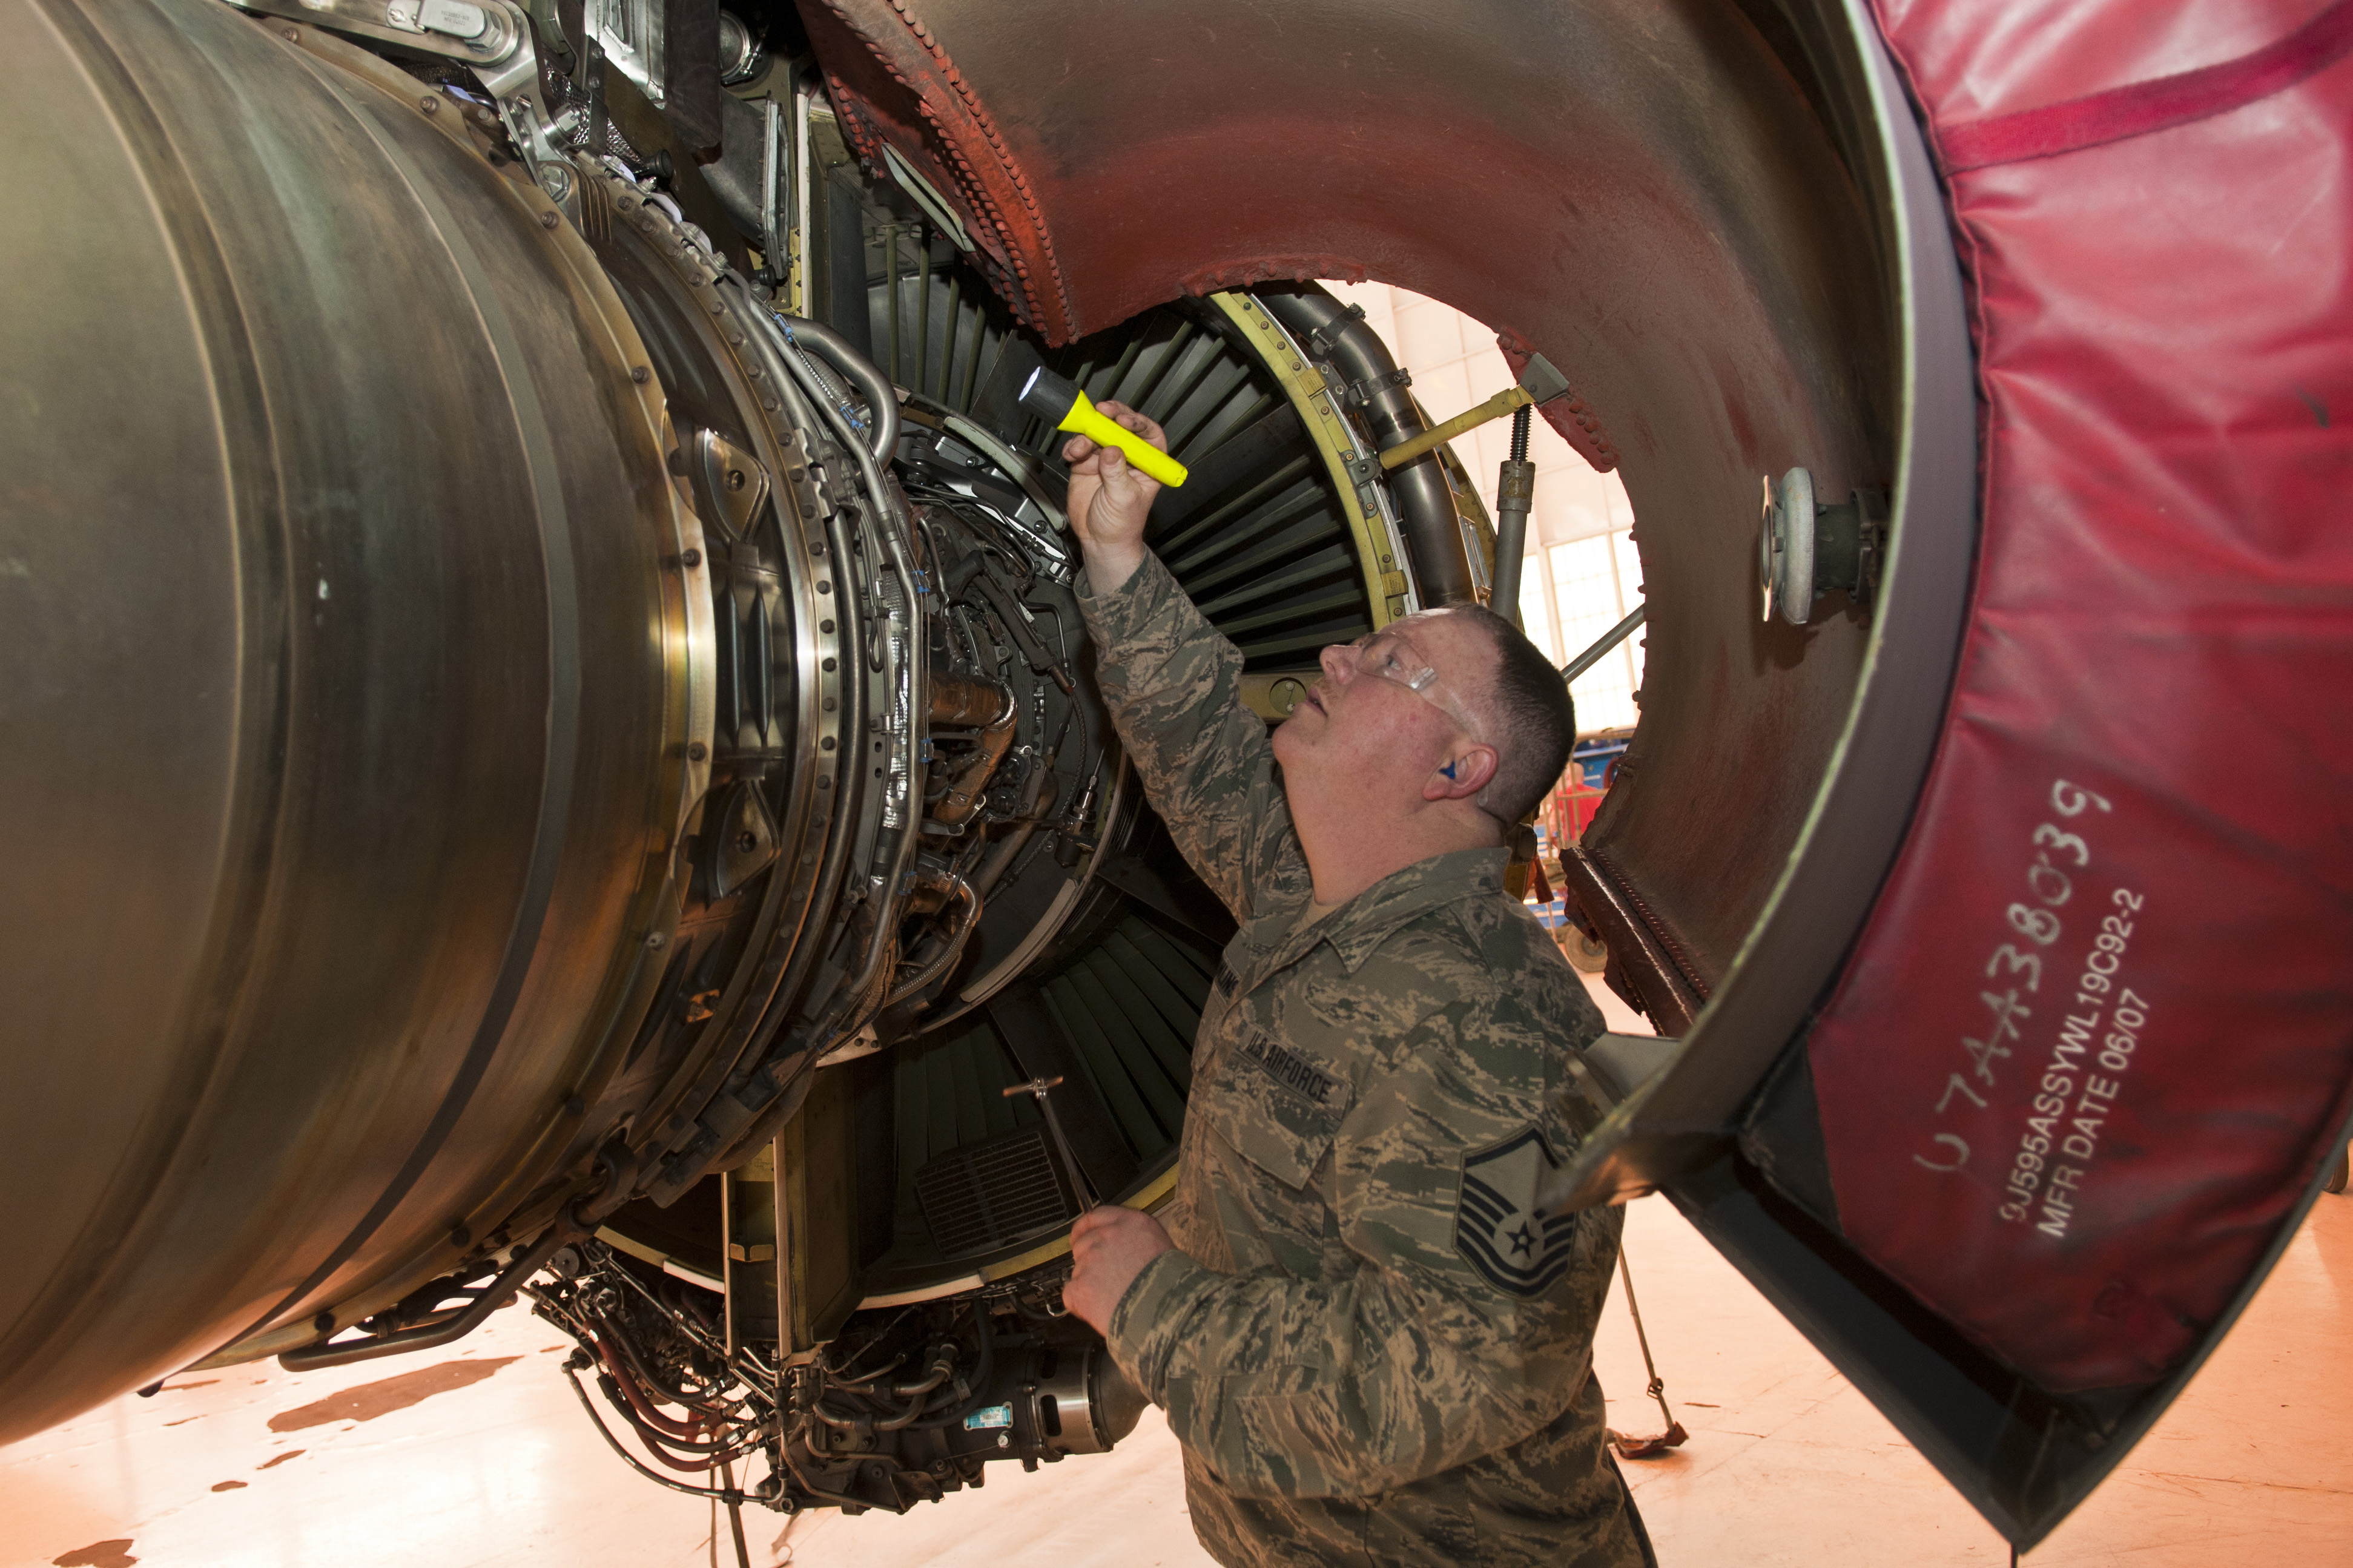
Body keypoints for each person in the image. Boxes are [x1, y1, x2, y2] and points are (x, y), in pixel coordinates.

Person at [1056, 401, 1653, 1567]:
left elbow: (1461, 1370)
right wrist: (1118, 554)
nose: (1339, 654)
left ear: (1457, 767)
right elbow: (1204, 751)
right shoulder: (1316, 898)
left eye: (1393, 665)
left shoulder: (1497, 1028)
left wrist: (1152, 1300)